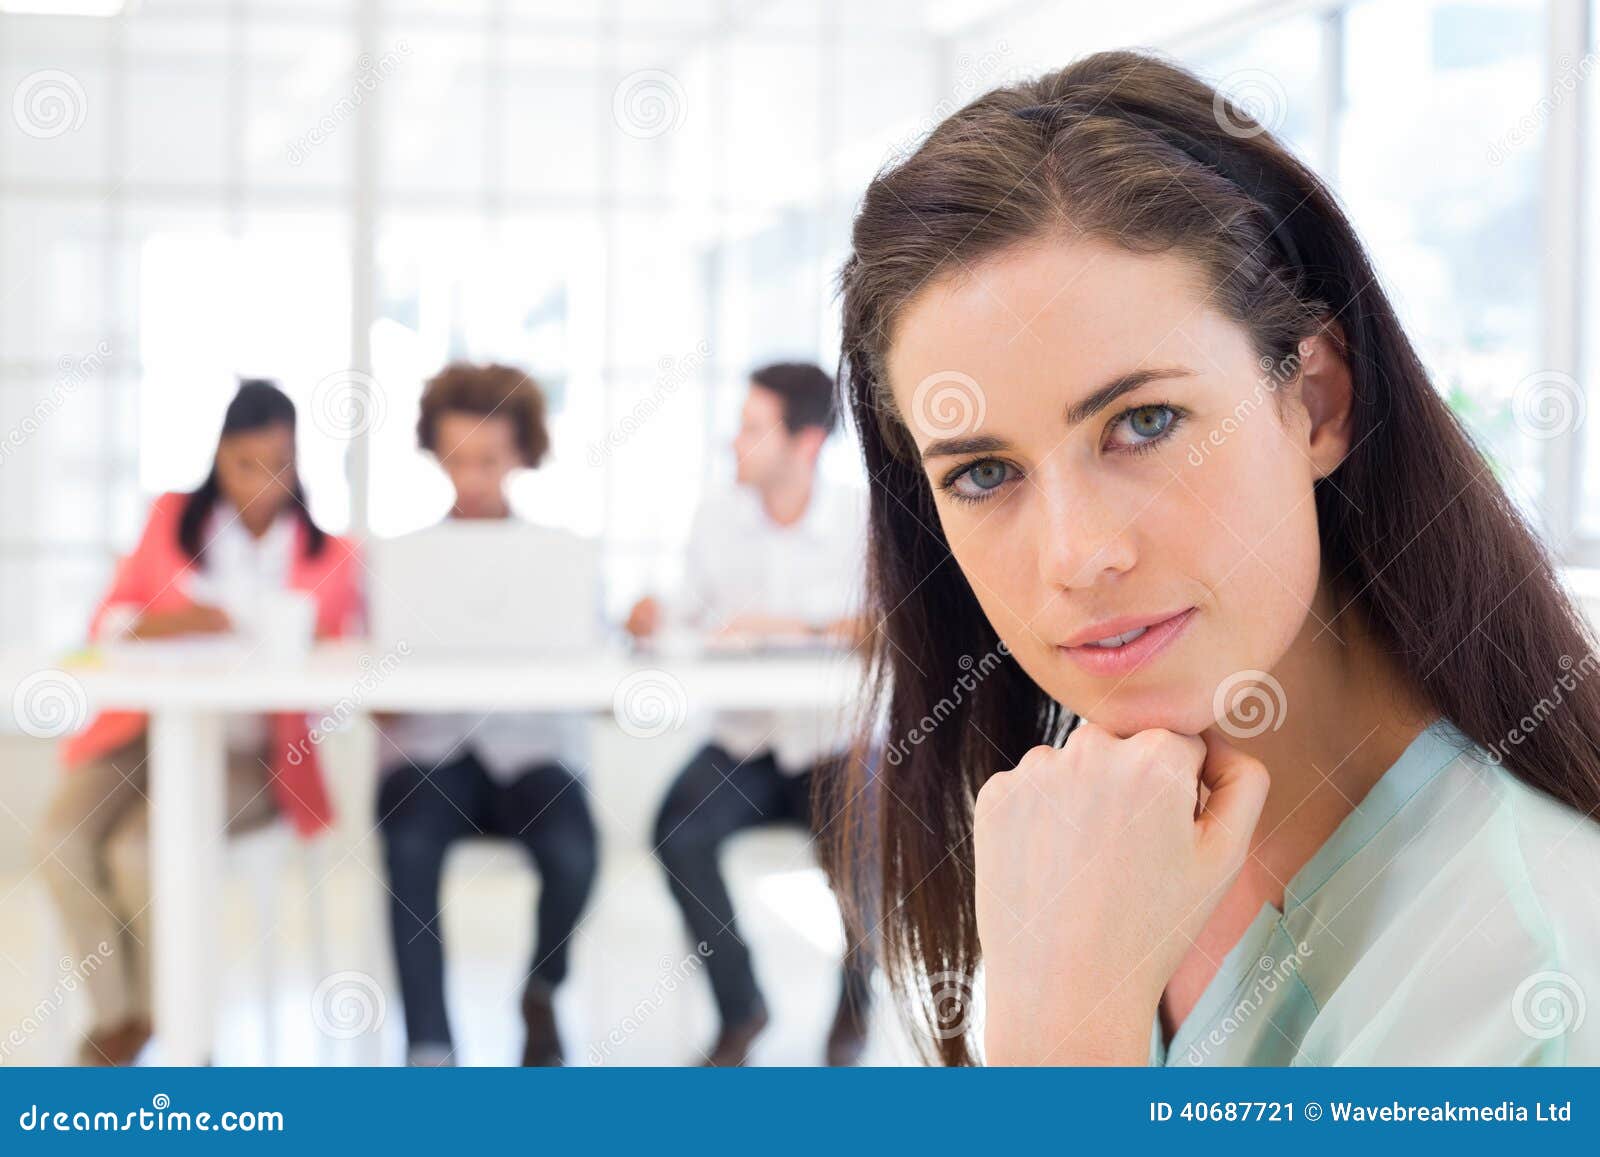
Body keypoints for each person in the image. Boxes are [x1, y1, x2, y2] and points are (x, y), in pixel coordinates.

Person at [823, 49, 1600, 1067]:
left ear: (1315, 400)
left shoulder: (1541, 985)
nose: (1077, 554)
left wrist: (1064, 1048)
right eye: (981, 473)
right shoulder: (1070, 820)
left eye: (1142, 421)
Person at [37, 379, 364, 1066]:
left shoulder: (328, 557)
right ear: (219, 457)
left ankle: (166, 1022)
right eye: (246, 462)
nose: (262, 481)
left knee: (139, 850)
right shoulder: (172, 520)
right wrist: (171, 620)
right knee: (61, 835)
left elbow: (346, 669)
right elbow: (106, 627)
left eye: (279, 461)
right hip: (144, 733)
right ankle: (120, 1018)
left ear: (299, 458)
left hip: (254, 757)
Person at [627, 361, 875, 1067]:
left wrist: (790, 624)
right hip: (744, 741)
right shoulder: (717, 515)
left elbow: (888, 626)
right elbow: (693, 614)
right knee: (675, 831)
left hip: (834, 742)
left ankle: (855, 1006)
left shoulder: (860, 518)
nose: (733, 443)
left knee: (877, 840)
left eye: (751, 429)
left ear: (805, 443)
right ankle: (743, 1006)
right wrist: (652, 616)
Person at [375, 362, 598, 1067]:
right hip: (429, 757)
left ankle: (540, 991)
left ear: (522, 455)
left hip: (531, 753)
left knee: (573, 850)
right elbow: (373, 694)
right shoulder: (397, 560)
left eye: (489, 459)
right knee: (409, 843)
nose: (471, 476)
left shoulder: (562, 560)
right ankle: (431, 1048)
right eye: (457, 458)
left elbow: (596, 666)